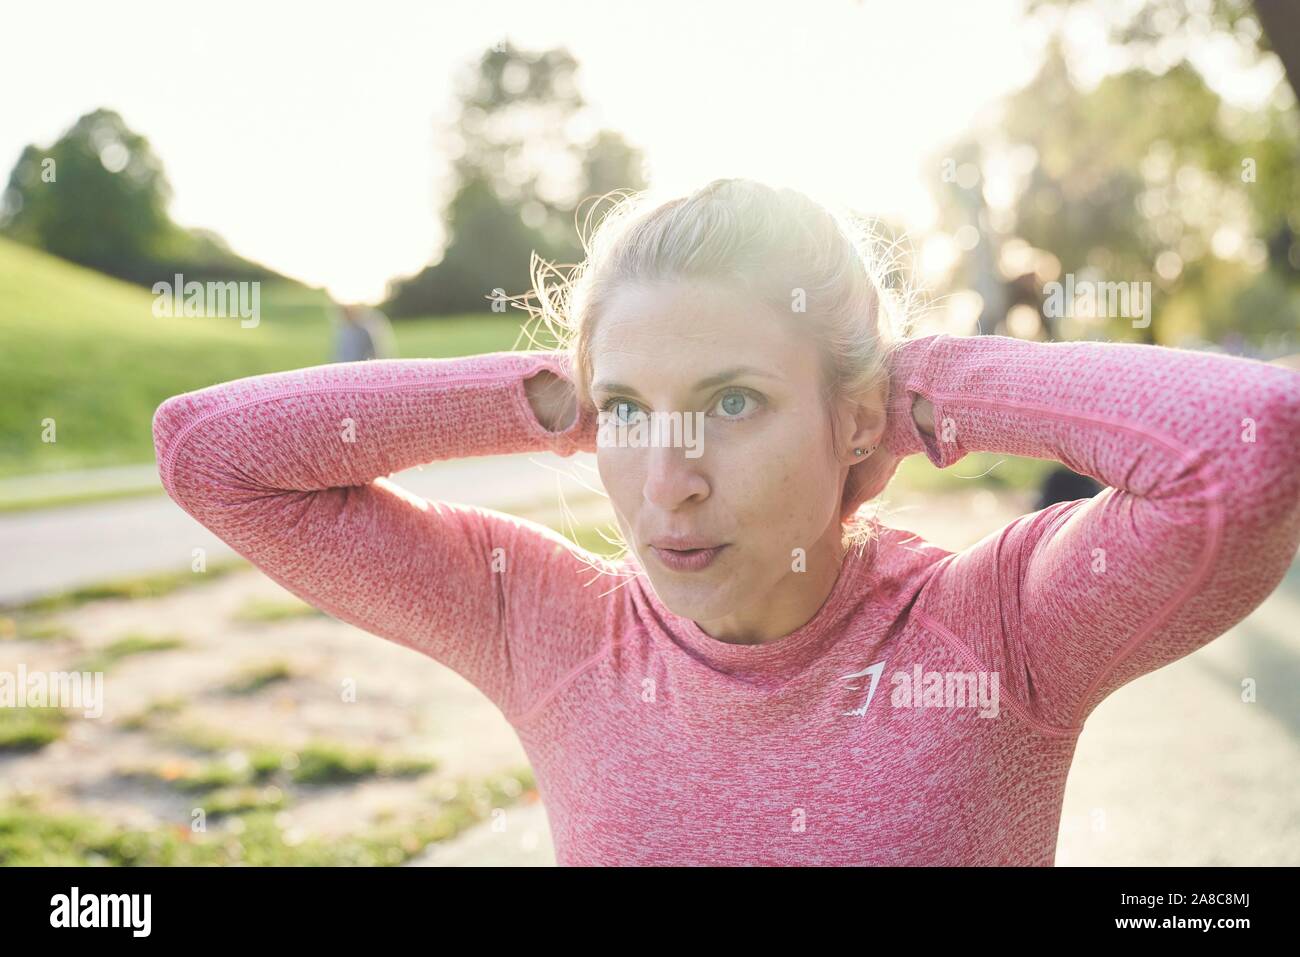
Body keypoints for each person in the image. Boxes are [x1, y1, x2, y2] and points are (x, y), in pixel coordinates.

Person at [152, 179, 1300, 865]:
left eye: (731, 402)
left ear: (857, 419)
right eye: (626, 414)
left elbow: (1249, 448)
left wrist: (923, 387)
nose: (669, 482)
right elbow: (208, 454)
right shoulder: (543, 625)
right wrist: (545, 399)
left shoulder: (994, 632)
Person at [332, 300, 396, 362]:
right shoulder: (343, 332)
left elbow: (374, 353)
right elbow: (339, 353)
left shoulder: (363, 332)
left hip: (361, 367)